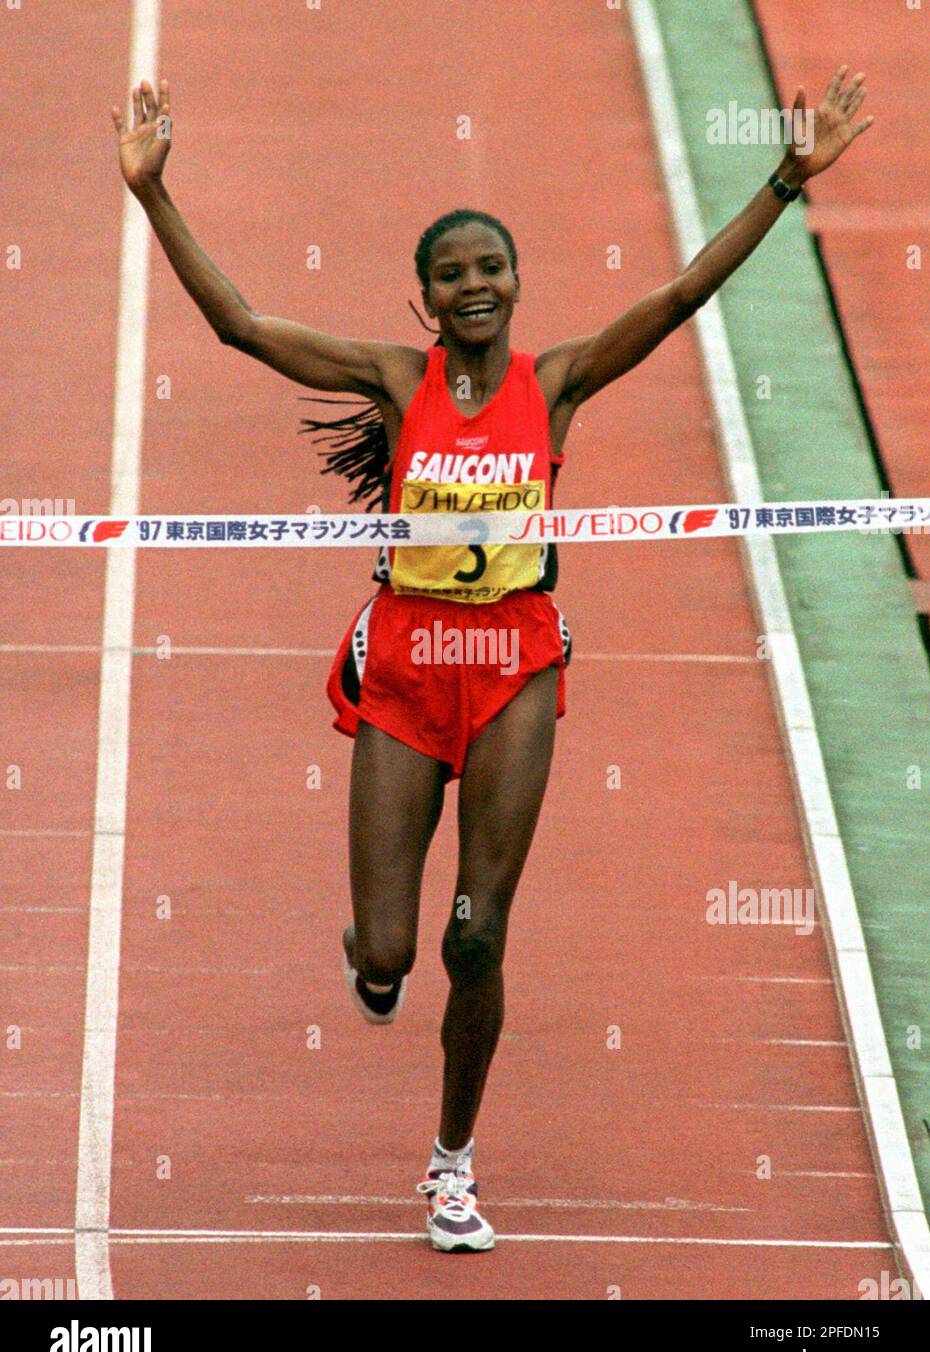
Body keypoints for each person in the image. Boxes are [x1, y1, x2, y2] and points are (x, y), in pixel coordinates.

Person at [112, 69, 872, 1253]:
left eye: (492, 268)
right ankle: (369, 958)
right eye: (452, 274)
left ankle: (452, 1164)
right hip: (409, 666)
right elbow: (243, 328)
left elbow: (678, 298)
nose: (475, 285)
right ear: (424, 299)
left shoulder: (554, 380)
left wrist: (786, 178)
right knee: (394, 950)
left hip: (514, 661)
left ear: (516, 284)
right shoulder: (396, 379)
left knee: (477, 931)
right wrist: (157, 195)